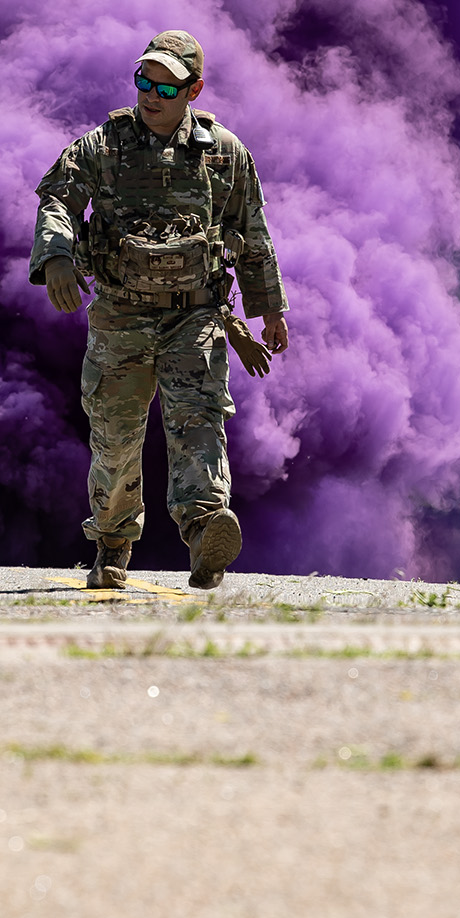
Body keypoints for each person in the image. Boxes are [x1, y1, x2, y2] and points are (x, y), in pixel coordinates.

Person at [29, 30, 288, 590]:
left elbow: (252, 233)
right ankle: (113, 544)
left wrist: (269, 309)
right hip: (120, 314)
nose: (150, 94)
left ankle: (205, 536)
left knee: (198, 426)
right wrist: (56, 258)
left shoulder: (225, 153)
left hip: (194, 317)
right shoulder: (104, 145)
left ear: (193, 89)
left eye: (165, 87)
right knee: (116, 438)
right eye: (143, 81)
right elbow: (60, 200)